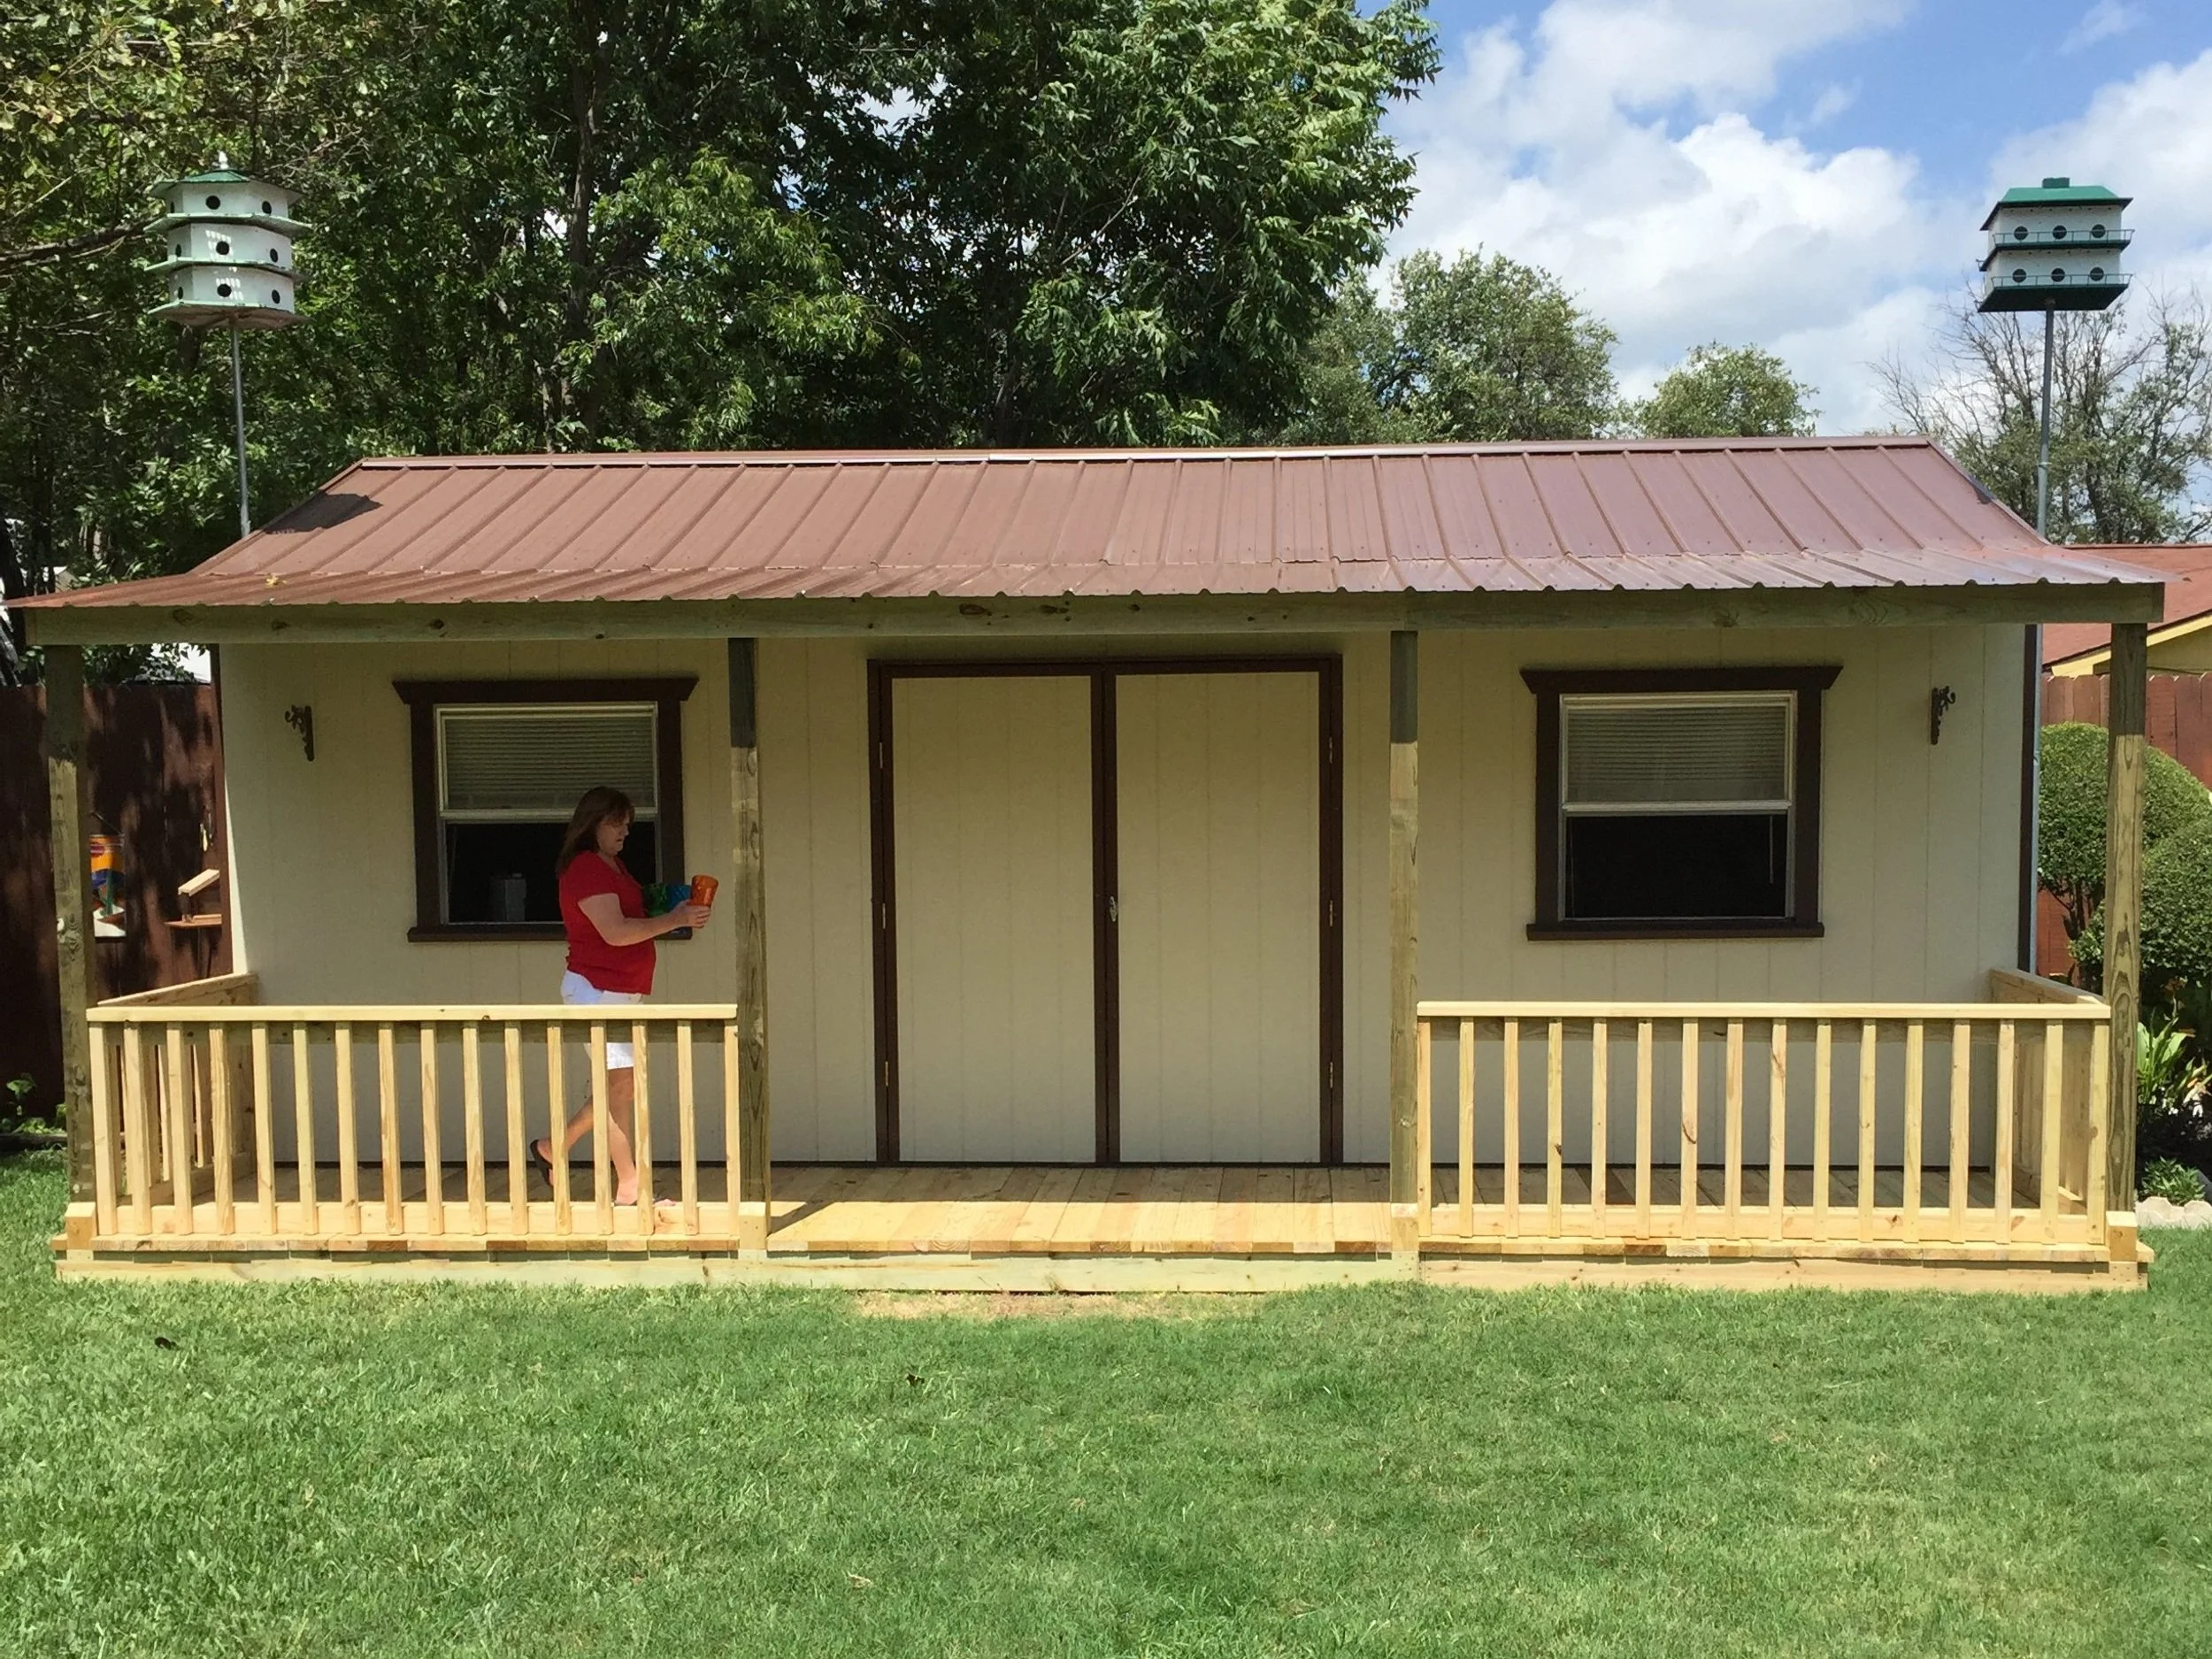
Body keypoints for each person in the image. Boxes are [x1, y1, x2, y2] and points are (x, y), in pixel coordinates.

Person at [530, 786, 709, 1204]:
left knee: (620, 1089)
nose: (624, 831)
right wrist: (674, 919)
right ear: (591, 824)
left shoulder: (614, 866)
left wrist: (671, 903)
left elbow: (632, 912)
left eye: (627, 823)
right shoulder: (586, 868)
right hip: (596, 988)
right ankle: (626, 1185)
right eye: (615, 823)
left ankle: (559, 1150)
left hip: (620, 990)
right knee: (619, 1088)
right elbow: (615, 931)